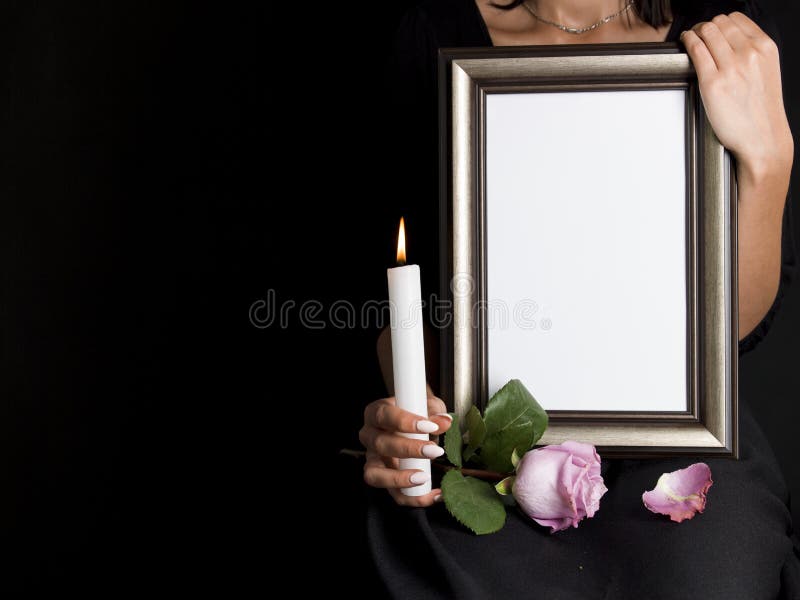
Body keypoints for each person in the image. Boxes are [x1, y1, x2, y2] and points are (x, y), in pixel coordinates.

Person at [360, 1, 799, 597]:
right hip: (488, 441)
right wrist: (412, 411)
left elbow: (736, 327)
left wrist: (769, 165)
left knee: (709, 574)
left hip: (681, 433)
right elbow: (411, 294)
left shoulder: (726, 31)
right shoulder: (431, 29)